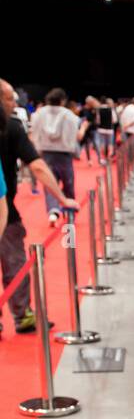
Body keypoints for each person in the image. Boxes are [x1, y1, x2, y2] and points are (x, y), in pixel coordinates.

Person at [0, 85, 74, 334]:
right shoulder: (10, 127)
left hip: (7, 209)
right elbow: (37, 167)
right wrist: (62, 199)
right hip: (6, 214)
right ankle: (22, 315)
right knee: (16, 265)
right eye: (10, 99)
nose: (15, 103)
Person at [28, 88, 80, 224]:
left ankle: (53, 210)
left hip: (46, 153)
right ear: (62, 100)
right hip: (64, 154)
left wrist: (37, 149)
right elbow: (73, 135)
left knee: (50, 183)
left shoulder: (39, 113)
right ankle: (69, 212)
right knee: (68, 183)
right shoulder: (69, 115)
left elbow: (34, 132)